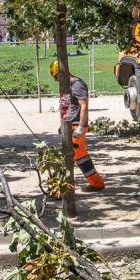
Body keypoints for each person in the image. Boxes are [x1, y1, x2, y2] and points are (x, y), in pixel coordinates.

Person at [50, 60, 105, 191]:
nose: (56, 80)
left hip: (77, 126)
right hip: (69, 126)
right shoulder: (66, 86)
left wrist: (81, 126)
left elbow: (84, 105)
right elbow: (65, 106)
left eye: (56, 77)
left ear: (62, 73)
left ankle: (96, 183)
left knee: (77, 155)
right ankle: (61, 186)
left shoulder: (77, 84)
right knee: (73, 155)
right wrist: (63, 125)